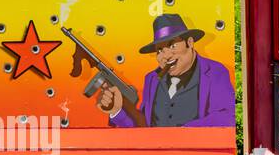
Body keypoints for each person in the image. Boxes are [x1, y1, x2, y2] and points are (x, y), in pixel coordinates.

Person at [97, 14, 235, 128]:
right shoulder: (152, 79)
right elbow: (143, 130)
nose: (167, 55)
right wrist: (116, 111)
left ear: (190, 43)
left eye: (173, 45)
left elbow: (226, 117)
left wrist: (184, 134)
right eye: (160, 50)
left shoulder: (215, 72)